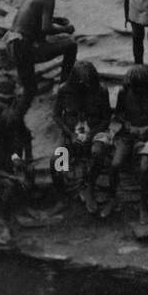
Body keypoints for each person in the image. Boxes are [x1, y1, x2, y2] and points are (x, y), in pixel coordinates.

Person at [6, 0, 77, 112]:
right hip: (24, 48)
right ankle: (64, 86)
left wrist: (56, 20)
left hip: (13, 44)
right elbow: (46, 28)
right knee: (71, 44)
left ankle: (15, 120)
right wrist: (66, 29)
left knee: (30, 89)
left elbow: (33, 18)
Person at [107, 64, 148, 224]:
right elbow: (119, 114)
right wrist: (128, 126)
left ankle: (143, 204)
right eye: (133, 88)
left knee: (144, 166)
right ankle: (112, 198)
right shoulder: (124, 92)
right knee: (115, 164)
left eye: (139, 88)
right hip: (130, 133)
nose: (136, 91)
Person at [52, 61, 113, 214]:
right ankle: (62, 197)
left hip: (95, 132)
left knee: (98, 153)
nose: (87, 86)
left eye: (89, 83)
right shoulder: (64, 91)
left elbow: (106, 119)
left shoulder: (100, 91)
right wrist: (71, 134)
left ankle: (90, 187)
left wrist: (91, 135)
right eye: (83, 83)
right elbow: (57, 116)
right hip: (71, 133)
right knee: (56, 162)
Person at [0, 107, 34, 224]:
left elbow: (28, 157)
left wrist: (25, 167)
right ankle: (6, 220)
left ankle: (25, 208)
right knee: (9, 186)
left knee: (30, 173)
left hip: (14, 166)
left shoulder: (24, 134)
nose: (14, 133)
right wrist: (15, 177)